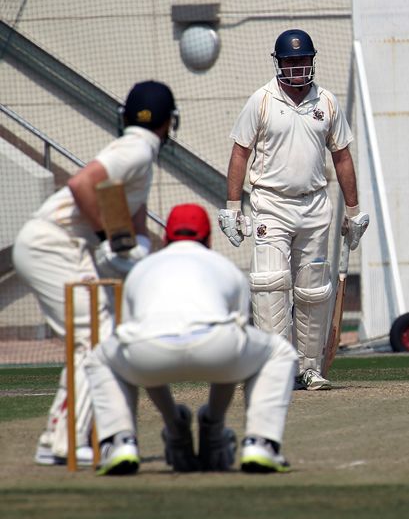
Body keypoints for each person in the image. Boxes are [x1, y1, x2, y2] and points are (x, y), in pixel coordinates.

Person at [12, 80, 177, 466]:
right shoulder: (137, 148)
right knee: (96, 338)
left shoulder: (139, 156)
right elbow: (81, 183)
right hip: (51, 243)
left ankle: (60, 437)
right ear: (170, 123)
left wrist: (144, 258)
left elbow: (135, 231)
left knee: (101, 335)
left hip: (58, 245)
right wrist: (108, 235)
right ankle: (64, 441)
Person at [83, 204, 299, 475]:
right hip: (216, 344)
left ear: (165, 239)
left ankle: (119, 442)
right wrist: (214, 423)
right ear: (208, 240)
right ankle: (261, 443)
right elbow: (236, 338)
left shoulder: (142, 269)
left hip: (148, 350)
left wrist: (174, 425)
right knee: (279, 352)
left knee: (101, 358)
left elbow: (135, 338)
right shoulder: (226, 267)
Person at [219, 28, 369, 392]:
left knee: (314, 291)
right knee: (270, 285)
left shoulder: (327, 102)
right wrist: (232, 207)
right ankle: (275, 367)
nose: (297, 67)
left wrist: (353, 210)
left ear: (312, 62)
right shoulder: (262, 100)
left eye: (303, 60)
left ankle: (309, 368)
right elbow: (240, 152)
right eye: (290, 61)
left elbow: (343, 156)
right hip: (271, 203)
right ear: (279, 63)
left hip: (315, 204)